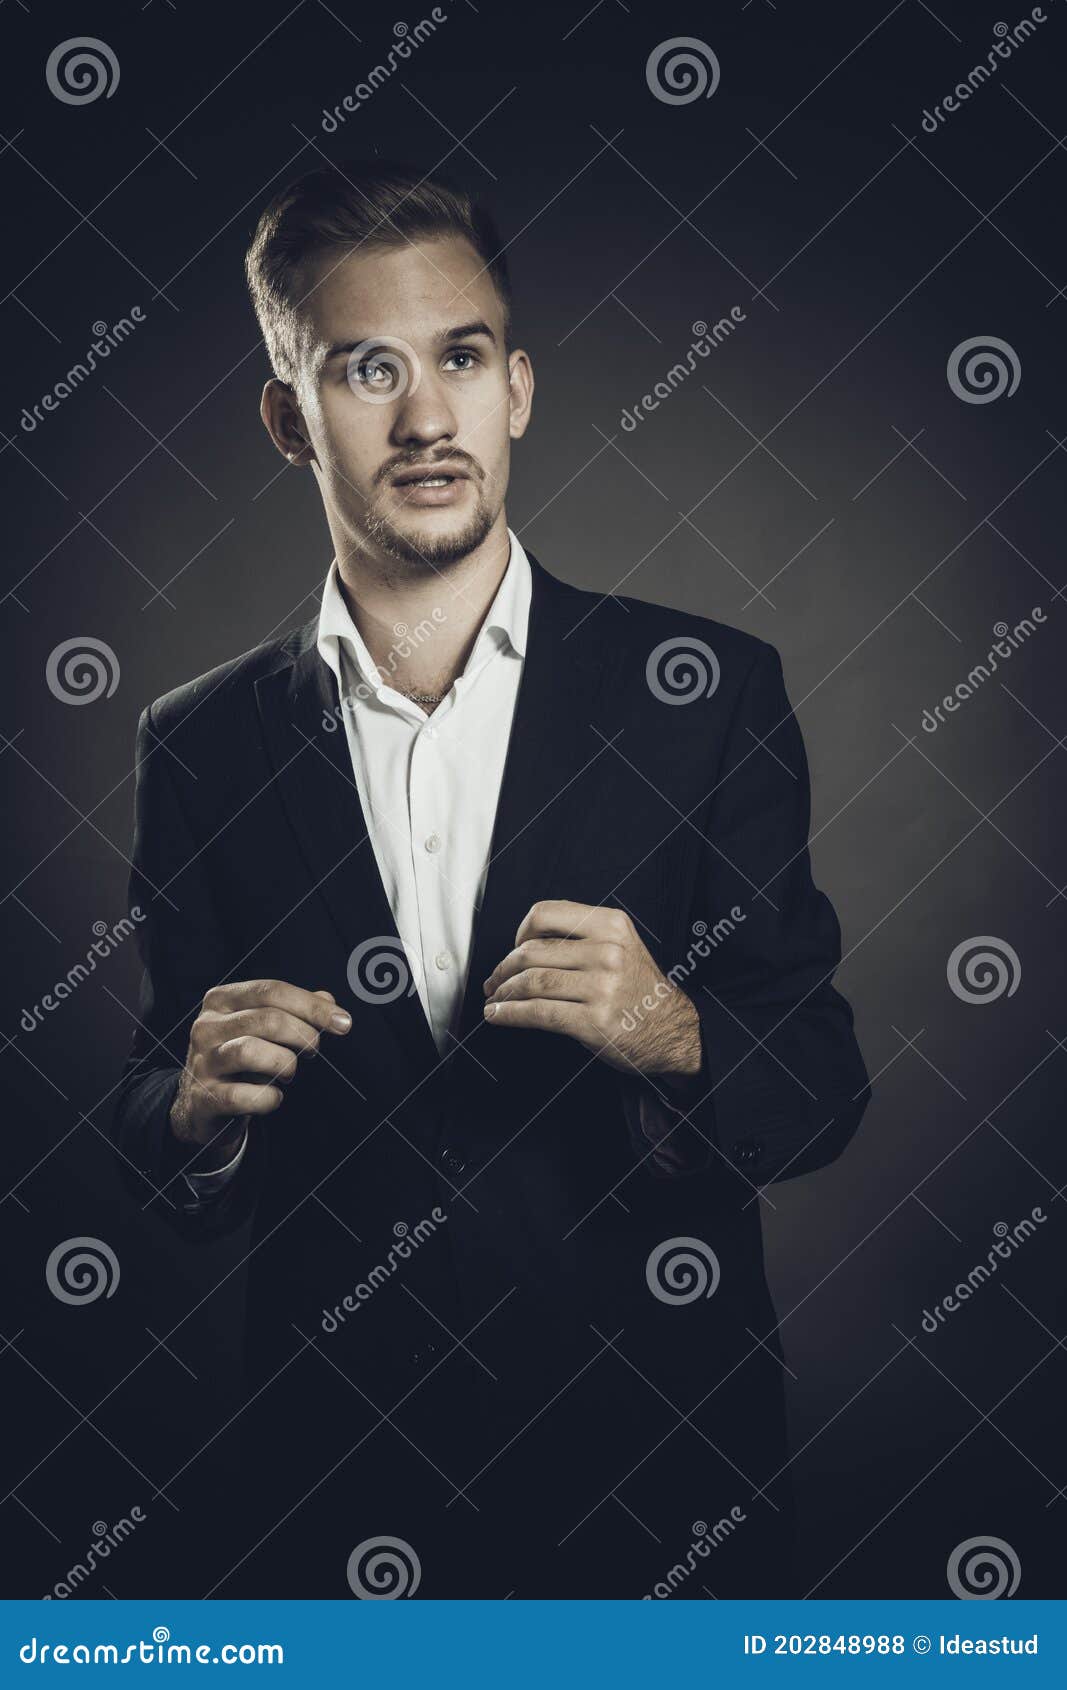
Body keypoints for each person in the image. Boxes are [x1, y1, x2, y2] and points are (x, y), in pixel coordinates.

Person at [112, 159, 870, 1599]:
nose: (424, 418)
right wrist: (195, 1112)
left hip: (662, 1486)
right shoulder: (200, 743)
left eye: (459, 357)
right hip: (336, 1500)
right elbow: (165, 1109)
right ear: (290, 418)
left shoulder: (703, 695)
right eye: (365, 369)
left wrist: (673, 1032)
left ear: (515, 386)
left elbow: (821, 1087)